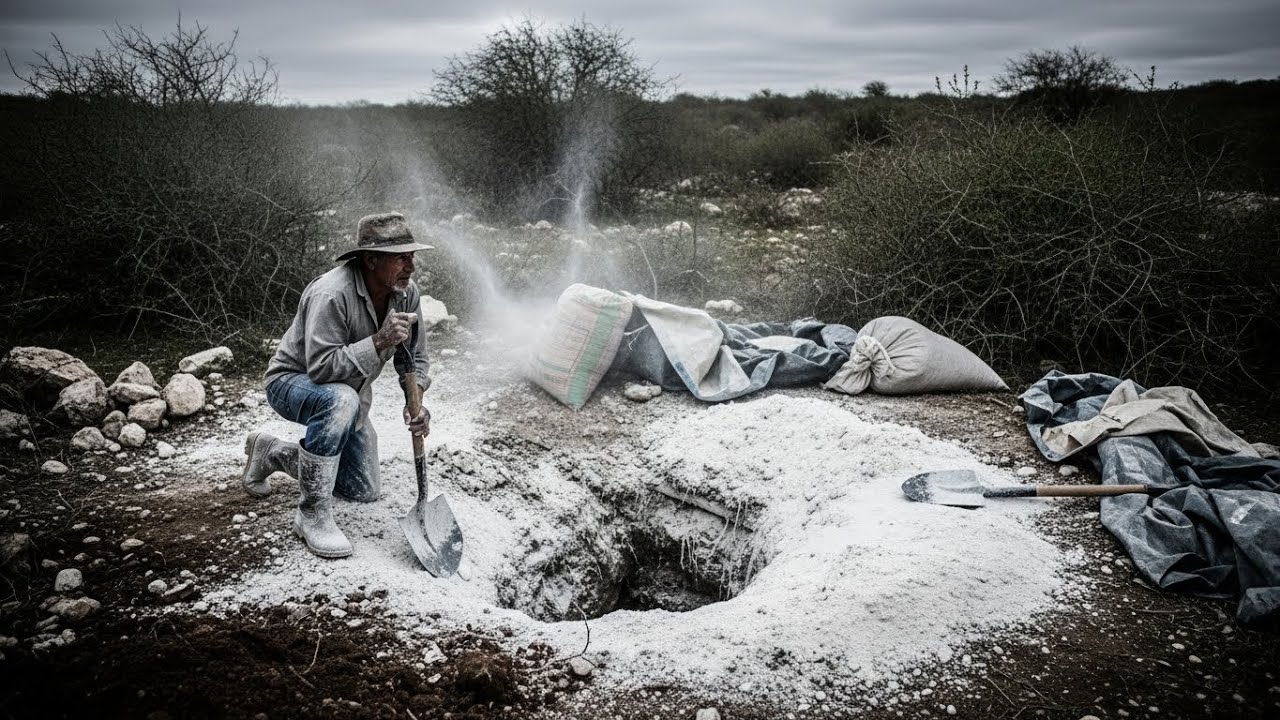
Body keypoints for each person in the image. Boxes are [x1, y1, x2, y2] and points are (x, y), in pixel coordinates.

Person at [240, 212, 433, 558]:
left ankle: (273, 453)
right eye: (400, 257)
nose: (411, 265)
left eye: (412, 255)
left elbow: (413, 358)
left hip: (350, 397)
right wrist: (377, 341)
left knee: (363, 489)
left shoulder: (406, 293)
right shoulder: (332, 294)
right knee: (341, 400)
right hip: (292, 383)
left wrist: (416, 403)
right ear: (371, 260)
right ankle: (311, 513)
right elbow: (321, 367)